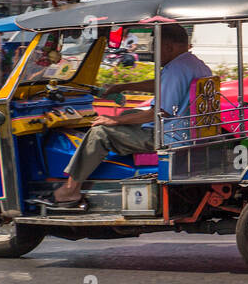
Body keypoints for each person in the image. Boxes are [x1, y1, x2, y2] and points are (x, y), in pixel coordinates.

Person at [52, 23, 211, 204]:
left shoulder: (176, 70)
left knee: (99, 133)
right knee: (130, 113)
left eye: (155, 47)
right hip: (185, 130)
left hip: (168, 136)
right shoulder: (193, 64)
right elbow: (161, 84)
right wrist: (124, 86)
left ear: (168, 47)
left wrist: (114, 121)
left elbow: (158, 112)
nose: (152, 52)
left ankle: (71, 189)